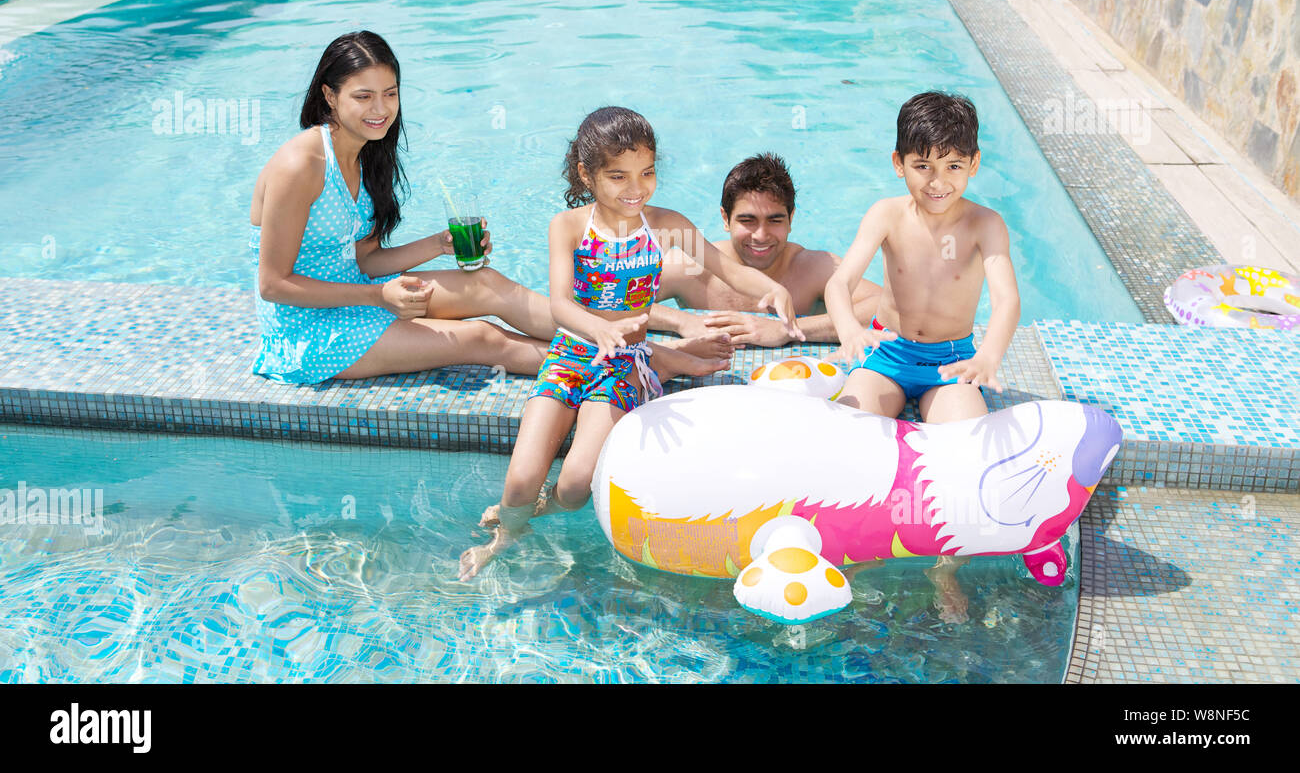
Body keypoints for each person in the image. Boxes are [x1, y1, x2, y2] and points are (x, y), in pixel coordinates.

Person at [459, 107, 803, 580]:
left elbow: (728, 269)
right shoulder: (569, 226)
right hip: (569, 357)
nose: (635, 188)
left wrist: (772, 290)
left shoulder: (665, 225)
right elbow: (560, 304)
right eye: (618, 176)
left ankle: (537, 512)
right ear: (587, 174)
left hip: (624, 363)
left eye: (647, 173)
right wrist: (595, 327)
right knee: (519, 480)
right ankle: (506, 535)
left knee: (578, 486)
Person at [249, 30, 559, 385]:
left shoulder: (367, 153)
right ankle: (608, 368)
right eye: (363, 96)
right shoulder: (301, 164)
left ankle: (607, 335)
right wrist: (377, 295)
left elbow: (365, 260)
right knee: (481, 337)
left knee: (486, 283)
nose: (380, 109)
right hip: (307, 330)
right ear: (330, 96)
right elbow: (272, 284)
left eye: (390, 94)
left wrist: (438, 245)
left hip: (357, 289)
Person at [824, 91, 1021, 624]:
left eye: (954, 166)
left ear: (974, 164)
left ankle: (944, 568)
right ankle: (857, 548)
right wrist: (849, 329)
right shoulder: (887, 215)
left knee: (966, 449)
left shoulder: (986, 225)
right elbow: (840, 282)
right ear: (898, 164)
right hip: (887, 352)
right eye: (922, 166)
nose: (939, 182)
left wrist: (987, 357)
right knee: (848, 430)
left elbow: (1007, 300)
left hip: (951, 361)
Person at [648, 153, 882, 346]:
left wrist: (789, 329)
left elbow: (887, 306)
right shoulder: (691, 266)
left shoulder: (816, 268)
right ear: (725, 218)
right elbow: (614, 301)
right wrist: (681, 322)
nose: (760, 235)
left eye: (775, 220)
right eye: (747, 220)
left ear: (791, 219)